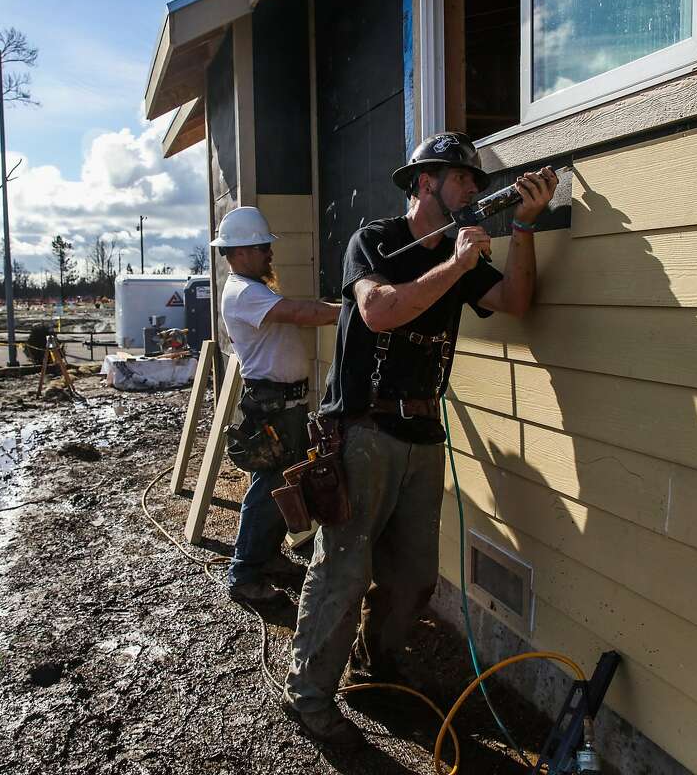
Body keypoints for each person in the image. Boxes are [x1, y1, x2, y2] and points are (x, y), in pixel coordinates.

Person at [281, 133, 558, 745]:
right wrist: (456, 264)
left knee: (411, 577)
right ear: (425, 182)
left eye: (477, 183)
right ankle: (308, 696)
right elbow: (378, 311)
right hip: (362, 429)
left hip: (424, 433)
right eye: (463, 179)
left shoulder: (464, 255)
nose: (473, 191)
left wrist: (527, 227)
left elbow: (515, 299)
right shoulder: (373, 241)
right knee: (343, 571)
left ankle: (376, 667)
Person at [212, 206, 342, 604]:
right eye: (262, 247)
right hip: (273, 409)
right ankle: (244, 574)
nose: (270, 253)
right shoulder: (243, 293)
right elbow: (301, 313)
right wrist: (353, 311)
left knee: (277, 487)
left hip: (282, 406)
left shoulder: (254, 290)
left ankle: (264, 558)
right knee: (269, 489)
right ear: (239, 253)